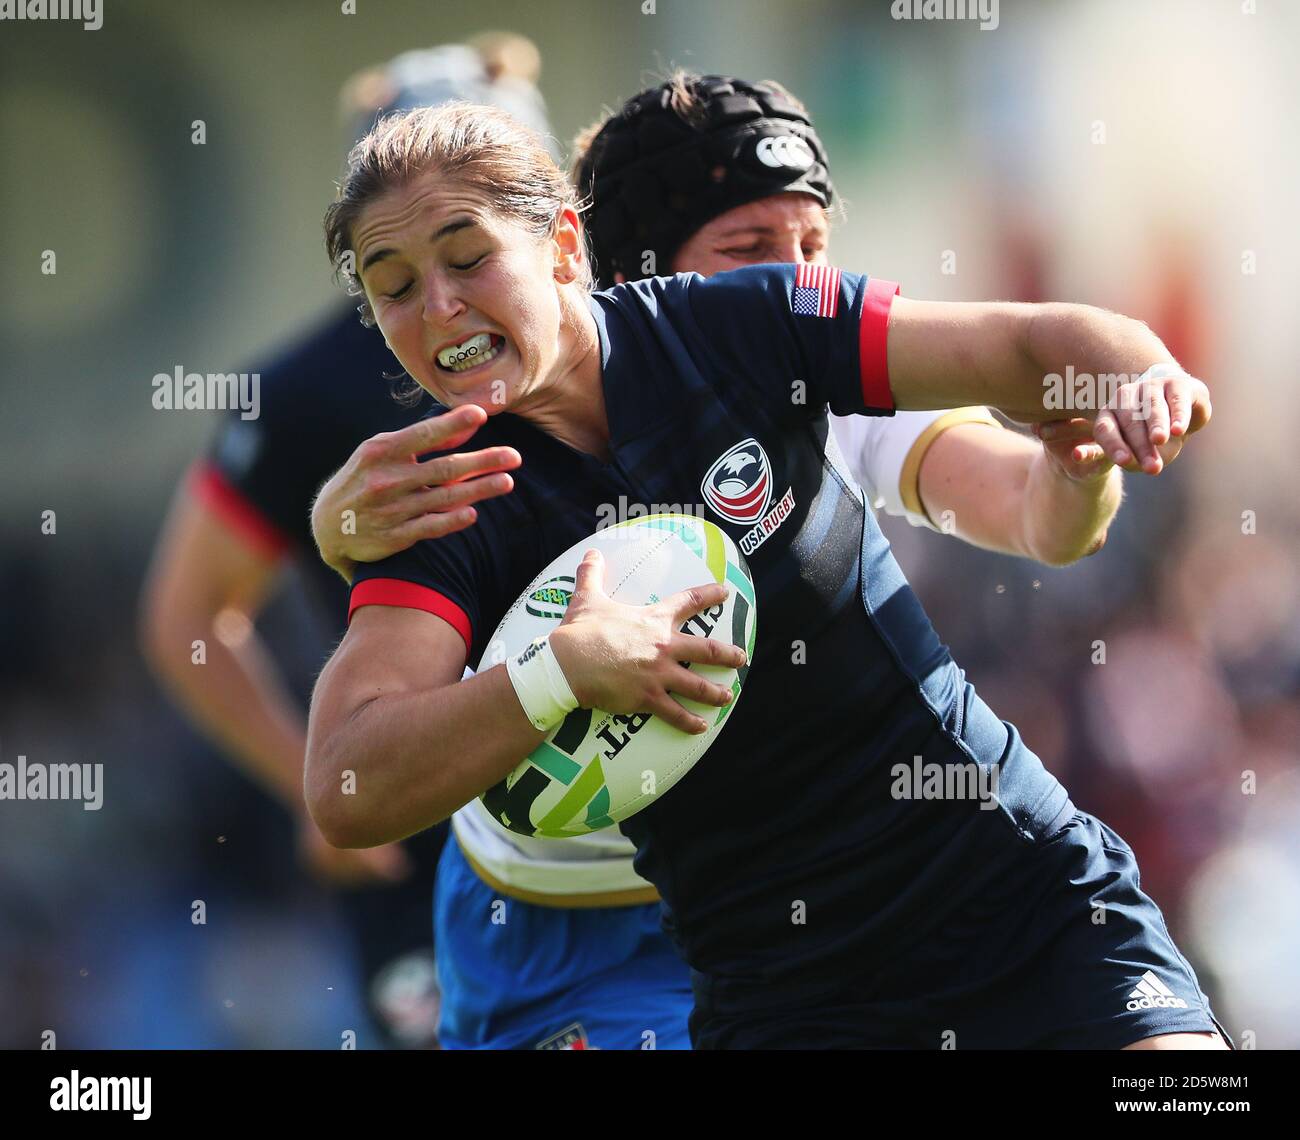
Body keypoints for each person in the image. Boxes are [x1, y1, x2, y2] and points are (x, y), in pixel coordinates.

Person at [304, 100, 1222, 1050]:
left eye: (467, 257)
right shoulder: (441, 499)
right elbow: (345, 784)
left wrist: (1137, 378)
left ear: (565, 244)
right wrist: (557, 675)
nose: (439, 307)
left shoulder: (734, 328)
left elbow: (1029, 347)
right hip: (788, 993)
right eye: (395, 286)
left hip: (1016, 894)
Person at [137, 36, 544, 1047]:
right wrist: (312, 785)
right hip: (428, 845)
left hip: (632, 817)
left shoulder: (640, 332)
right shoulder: (305, 391)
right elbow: (187, 618)